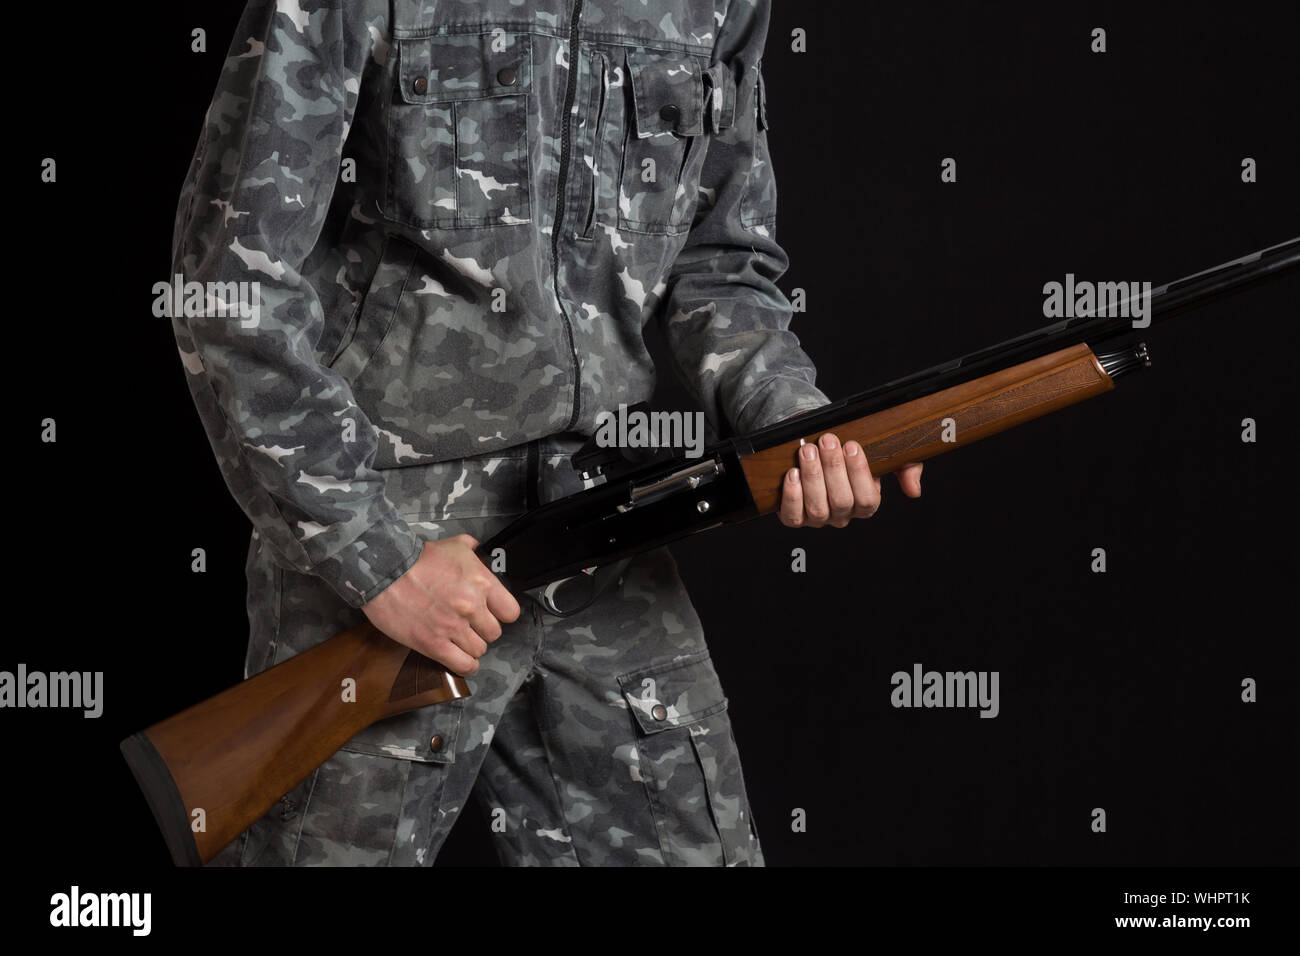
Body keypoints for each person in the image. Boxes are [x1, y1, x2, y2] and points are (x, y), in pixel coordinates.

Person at [169, 0, 922, 866]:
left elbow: (721, 264)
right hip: (389, 538)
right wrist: (373, 557)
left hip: (603, 529)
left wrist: (793, 421)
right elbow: (227, 288)